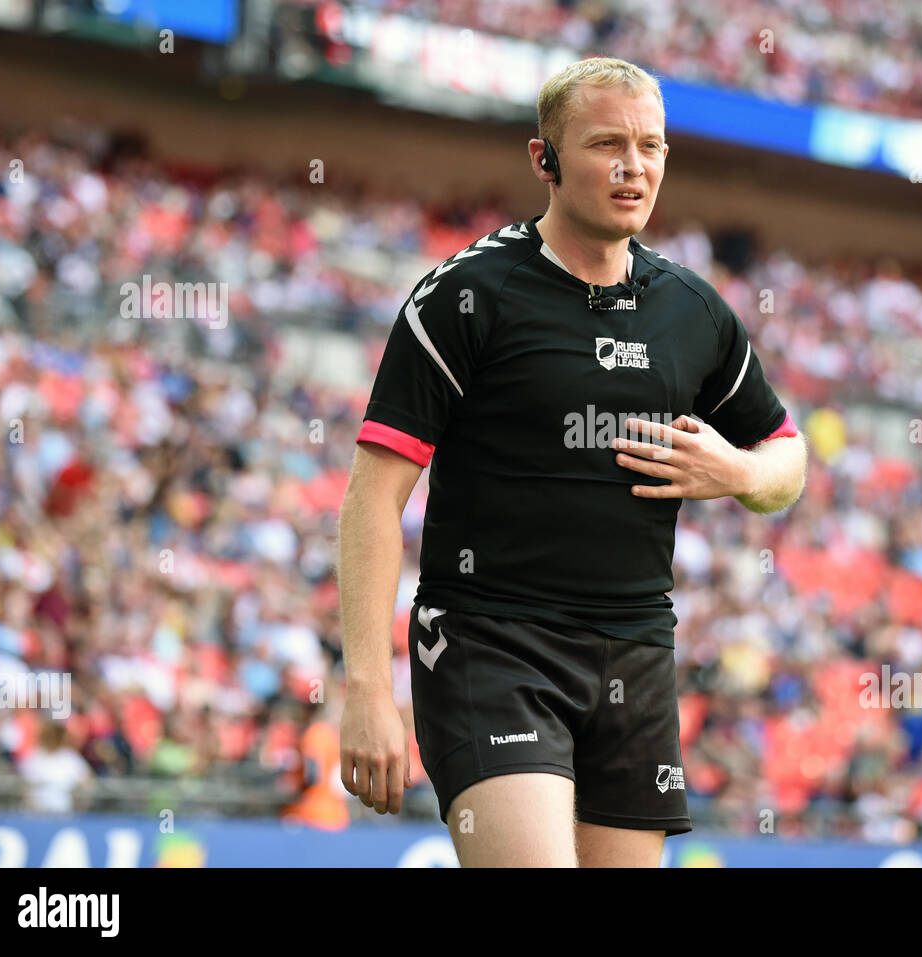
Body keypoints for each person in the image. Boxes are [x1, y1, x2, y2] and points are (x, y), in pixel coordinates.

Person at [337, 56, 807, 867]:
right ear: (543, 159)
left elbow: (786, 456)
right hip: (490, 646)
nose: (634, 166)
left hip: (635, 654)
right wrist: (366, 689)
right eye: (606, 144)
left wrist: (737, 472)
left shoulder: (693, 311)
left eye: (651, 146)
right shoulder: (466, 296)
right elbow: (373, 499)